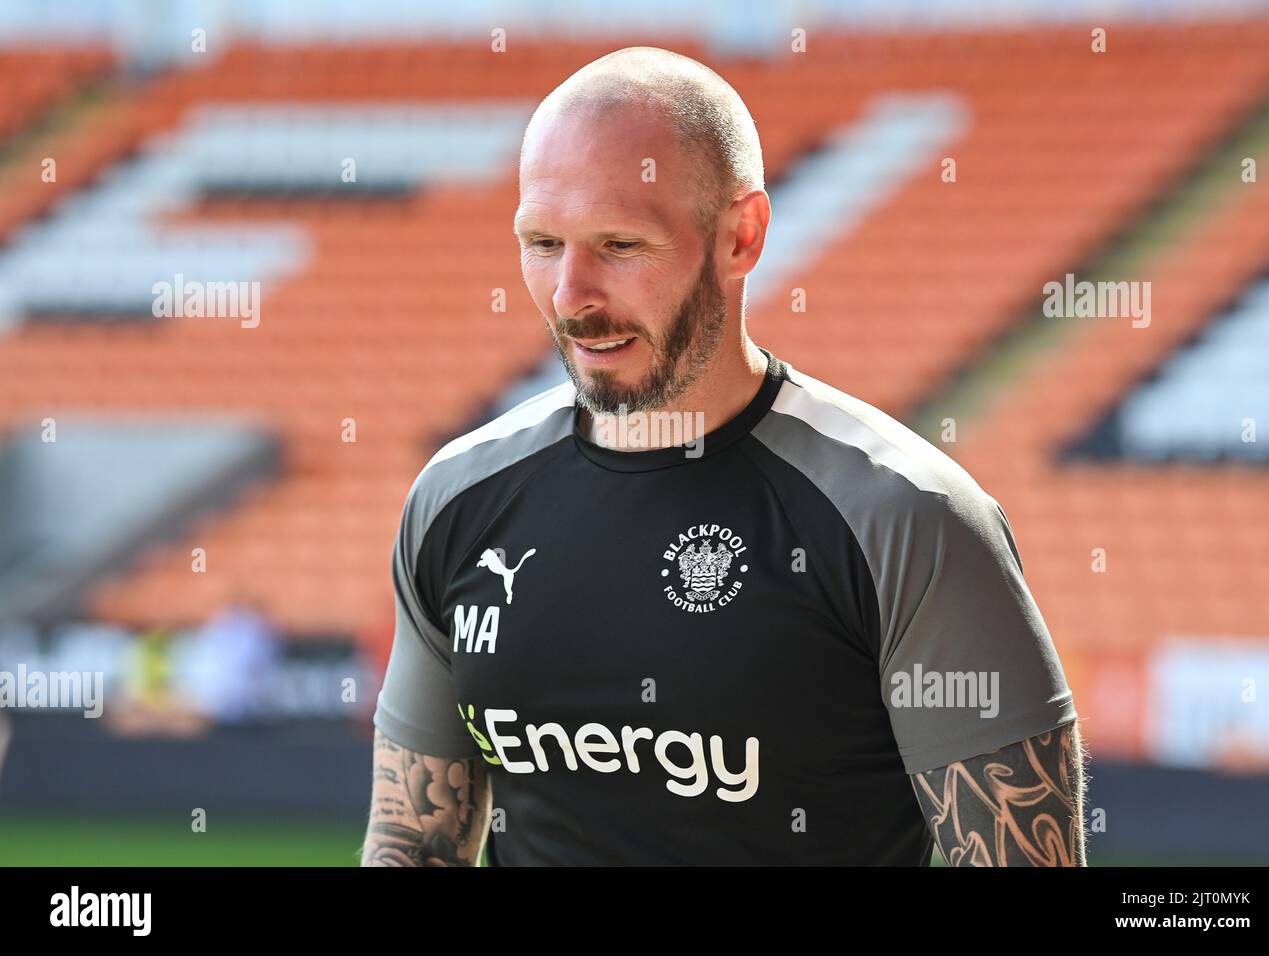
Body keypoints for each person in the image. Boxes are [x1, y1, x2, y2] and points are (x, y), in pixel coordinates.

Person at [362, 46, 1085, 866]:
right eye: (543, 243)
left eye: (621, 245)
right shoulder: (457, 499)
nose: (571, 295)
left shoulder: (905, 514)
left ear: (741, 236)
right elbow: (411, 843)